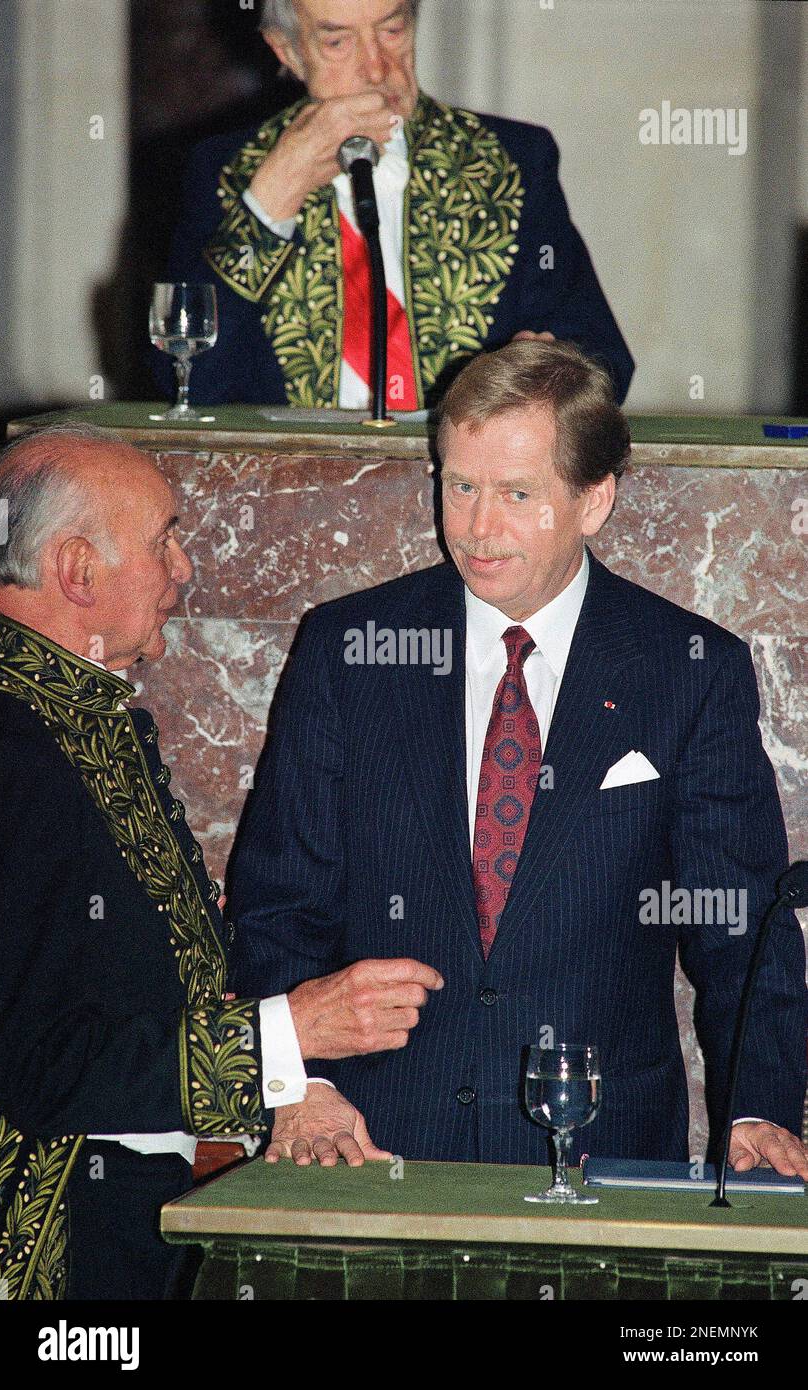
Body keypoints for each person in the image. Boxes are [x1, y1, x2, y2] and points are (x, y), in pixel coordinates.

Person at [230, 339, 808, 1177]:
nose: (477, 527)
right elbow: (279, 905)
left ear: (594, 499)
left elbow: (737, 928)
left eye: (517, 493)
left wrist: (755, 1108)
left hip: (599, 1152)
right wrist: (298, 1086)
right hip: (366, 1143)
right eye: (459, 486)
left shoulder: (688, 669)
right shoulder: (349, 649)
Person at [0, 425, 441, 1300]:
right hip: (50, 1246)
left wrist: (289, 1086)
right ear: (79, 571)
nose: (186, 568)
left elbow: (140, 993)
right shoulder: (9, 746)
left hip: (129, 1220)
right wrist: (291, 1031)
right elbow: (45, 1067)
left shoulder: (80, 715)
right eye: (165, 538)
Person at [160, 0, 634, 410]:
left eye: (392, 30)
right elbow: (184, 382)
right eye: (338, 42)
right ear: (288, 52)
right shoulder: (225, 171)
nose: (376, 68)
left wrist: (548, 371)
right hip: (283, 493)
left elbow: (604, 359)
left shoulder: (512, 160)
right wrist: (271, 199)